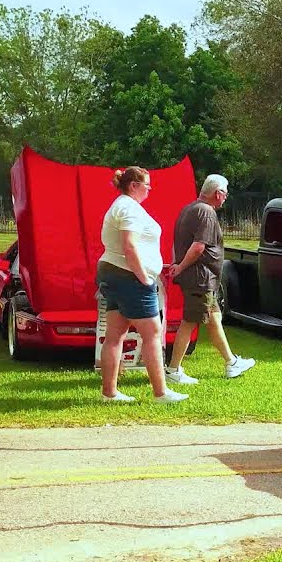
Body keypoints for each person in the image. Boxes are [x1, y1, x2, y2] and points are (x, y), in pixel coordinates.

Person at [95, 166, 187, 403]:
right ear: (133, 185)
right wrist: (144, 277)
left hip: (113, 273)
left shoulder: (123, 206)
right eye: (146, 184)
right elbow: (129, 246)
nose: (150, 189)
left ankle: (110, 392)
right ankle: (160, 392)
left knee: (115, 334)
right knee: (153, 333)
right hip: (129, 276)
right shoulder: (128, 208)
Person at [162, 174, 256, 382]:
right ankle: (173, 370)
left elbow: (176, 242)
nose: (226, 198)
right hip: (200, 278)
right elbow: (198, 247)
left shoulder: (189, 208)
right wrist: (180, 267)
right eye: (225, 194)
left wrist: (177, 264)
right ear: (218, 193)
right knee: (190, 321)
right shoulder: (206, 212)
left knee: (214, 318)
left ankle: (231, 363)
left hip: (201, 278)